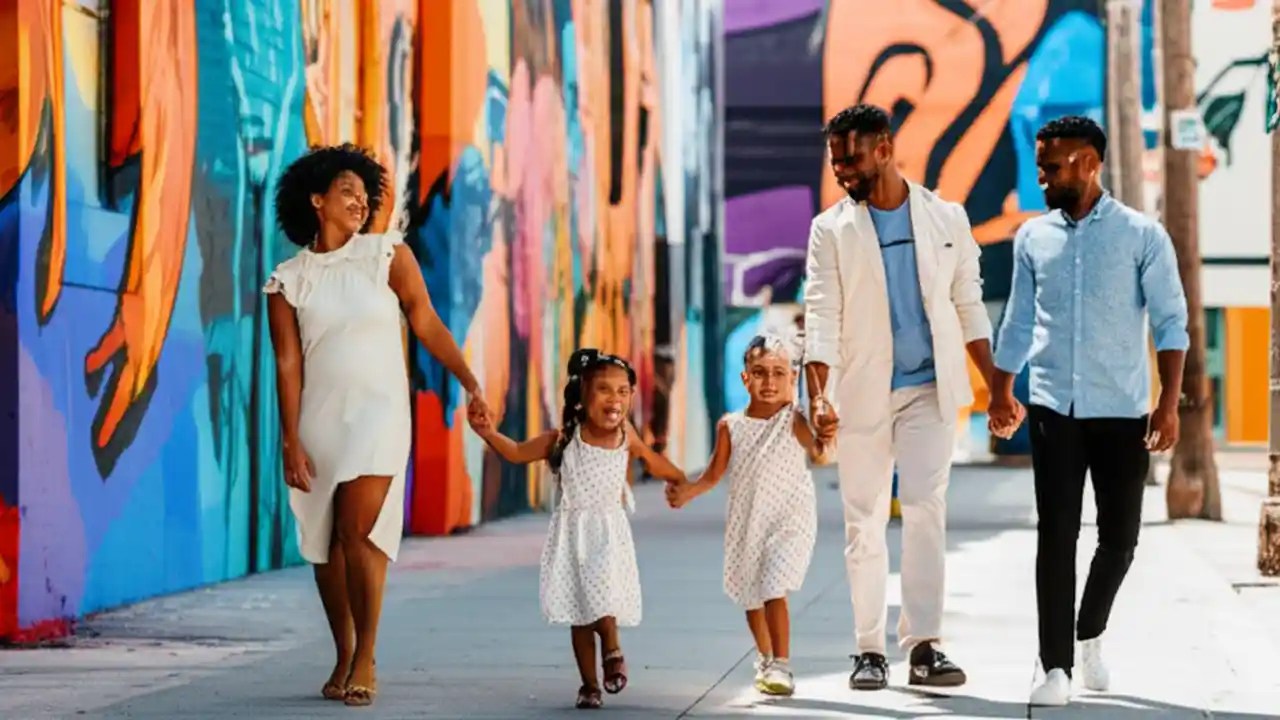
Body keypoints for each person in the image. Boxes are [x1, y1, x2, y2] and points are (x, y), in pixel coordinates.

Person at [264, 143, 488, 707]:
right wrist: (290, 439)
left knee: (358, 529)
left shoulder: (387, 254)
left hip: (380, 413)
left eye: (365, 195)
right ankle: (343, 651)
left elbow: (426, 320)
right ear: (316, 201)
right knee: (325, 543)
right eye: (347, 193)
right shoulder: (289, 280)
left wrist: (468, 378)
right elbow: (288, 366)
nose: (360, 203)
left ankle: (366, 655)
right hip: (320, 418)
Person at [988, 115, 1188, 707]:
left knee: (1120, 539)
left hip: (1122, 409)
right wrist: (1001, 391)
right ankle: (1056, 667)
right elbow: (1019, 322)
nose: (1041, 176)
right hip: (1053, 406)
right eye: (1041, 165)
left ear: (1089, 163)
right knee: (1055, 536)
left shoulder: (1141, 236)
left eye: (1051, 166)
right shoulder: (1032, 238)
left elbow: (1172, 322)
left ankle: (1089, 632)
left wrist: (1168, 405)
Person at [802, 104, 998, 690]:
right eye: (836, 160)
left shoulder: (945, 217)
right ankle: (869, 649)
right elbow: (821, 313)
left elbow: (969, 304)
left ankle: (925, 644)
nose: (843, 170)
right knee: (863, 522)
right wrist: (818, 395)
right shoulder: (829, 229)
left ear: (884, 148)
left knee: (924, 509)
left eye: (852, 158)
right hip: (861, 392)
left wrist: (998, 388)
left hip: (927, 390)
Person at [466, 349, 685, 709]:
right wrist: (488, 432)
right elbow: (518, 452)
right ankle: (589, 685)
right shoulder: (565, 439)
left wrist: (678, 479)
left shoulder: (625, 436)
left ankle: (612, 649)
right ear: (582, 395)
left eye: (623, 391)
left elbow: (650, 459)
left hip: (608, 532)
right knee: (580, 614)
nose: (615, 399)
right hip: (572, 535)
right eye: (604, 389)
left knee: (602, 591)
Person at [665, 334, 829, 697]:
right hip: (748, 519)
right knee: (751, 594)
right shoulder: (731, 425)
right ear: (745, 379)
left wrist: (827, 433)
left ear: (792, 379)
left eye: (778, 373)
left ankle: (782, 665)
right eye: (759, 373)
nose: (769, 382)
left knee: (773, 585)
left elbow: (817, 452)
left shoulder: (793, 419)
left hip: (790, 518)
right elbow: (713, 474)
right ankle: (766, 658)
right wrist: (688, 492)